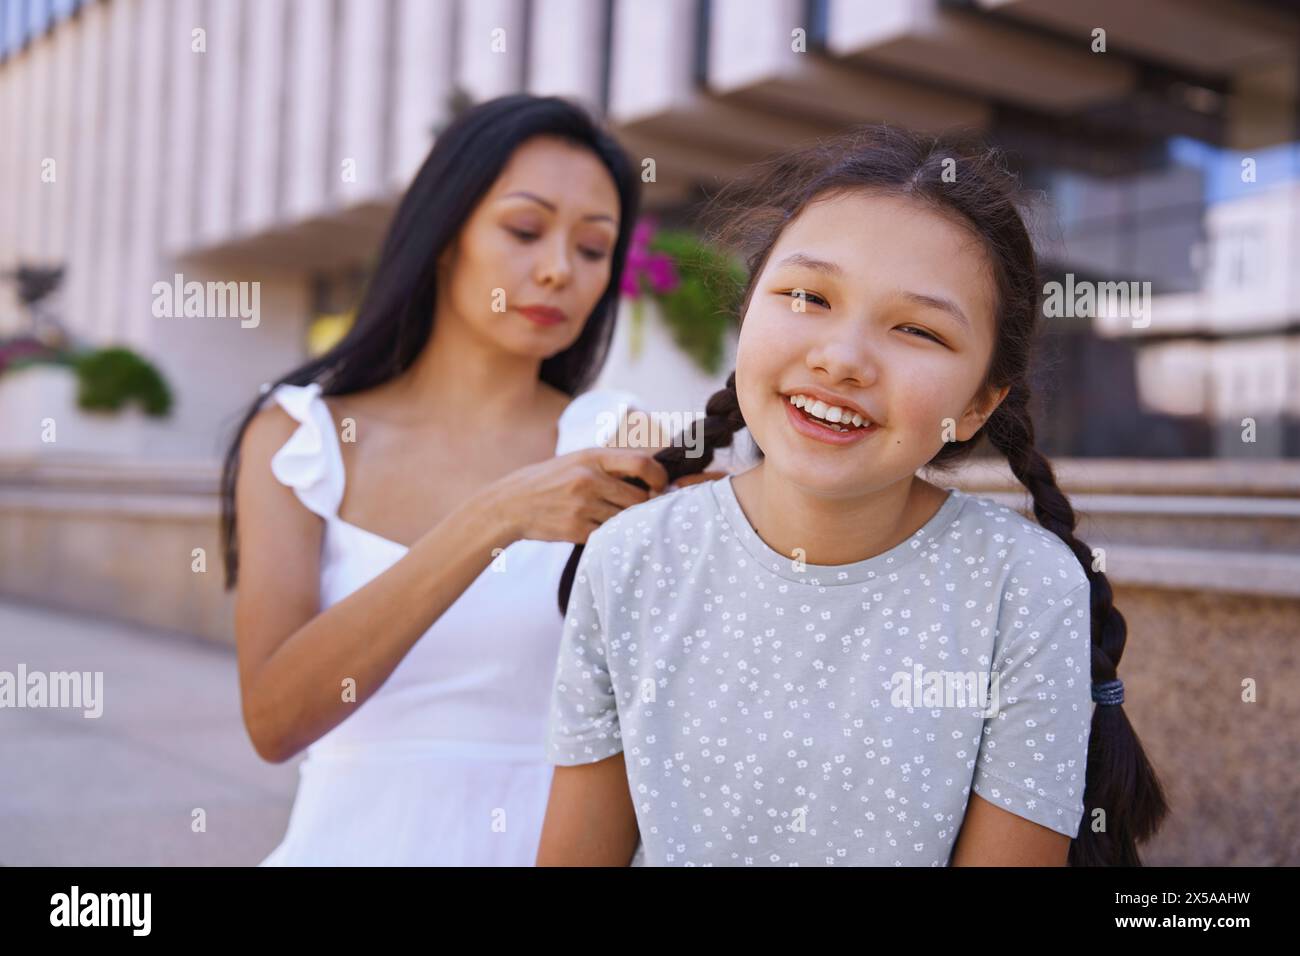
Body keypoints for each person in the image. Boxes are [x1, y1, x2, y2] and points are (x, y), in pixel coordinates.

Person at [538, 124, 1169, 867]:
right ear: (747, 312)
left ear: (977, 405)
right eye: (808, 295)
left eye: (918, 330)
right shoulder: (632, 558)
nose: (841, 359)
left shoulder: (1023, 590)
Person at [220, 94, 680, 865]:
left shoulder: (617, 443)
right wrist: (492, 517)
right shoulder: (301, 438)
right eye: (524, 230)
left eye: (594, 248)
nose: (558, 269)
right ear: (444, 234)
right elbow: (275, 720)